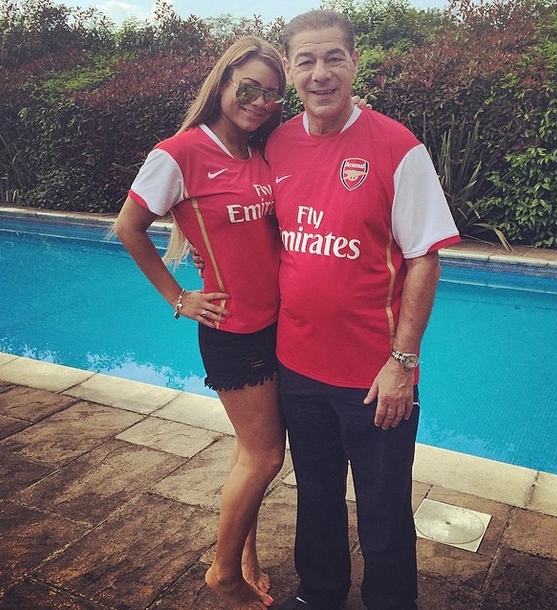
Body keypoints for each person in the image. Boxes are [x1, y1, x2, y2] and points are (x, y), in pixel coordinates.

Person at [264, 10, 461, 610]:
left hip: (376, 377)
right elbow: (253, 223)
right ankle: (319, 594)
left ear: (354, 62)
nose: (320, 73)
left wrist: (403, 362)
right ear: (289, 70)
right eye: (306, 61)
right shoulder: (276, 144)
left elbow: (424, 257)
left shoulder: (398, 148)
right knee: (316, 497)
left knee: (383, 508)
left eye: (333, 58)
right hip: (298, 367)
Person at [114, 36, 288, 610]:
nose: (260, 102)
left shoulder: (260, 151)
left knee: (249, 450)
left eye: (272, 95)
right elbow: (129, 227)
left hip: (279, 323)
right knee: (265, 457)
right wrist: (178, 297)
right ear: (222, 83)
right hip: (233, 330)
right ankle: (223, 574)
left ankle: (248, 557)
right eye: (249, 88)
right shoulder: (180, 153)